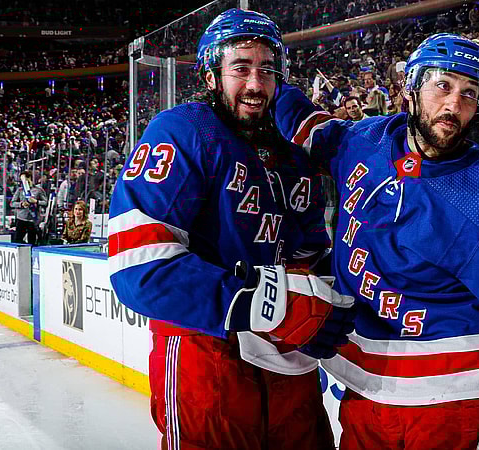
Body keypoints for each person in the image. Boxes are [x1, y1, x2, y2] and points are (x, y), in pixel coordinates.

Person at [274, 33, 479, 449]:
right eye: (442, 85)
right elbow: (305, 124)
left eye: (469, 93)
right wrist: (259, 66)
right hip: (365, 387)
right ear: (411, 88)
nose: (453, 104)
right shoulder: (366, 139)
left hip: (454, 399)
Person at [108, 9, 355, 450]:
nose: (256, 85)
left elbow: (310, 251)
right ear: (211, 75)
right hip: (206, 353)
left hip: (288, 356)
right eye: (241, 68)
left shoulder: (295, 155)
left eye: (267, 69)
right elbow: (137, 265)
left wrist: (324, 296)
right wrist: (261, 303)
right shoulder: (183, 129)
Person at [11, 170, 47, 245]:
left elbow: (45, 202)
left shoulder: (38, 190)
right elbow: (12, 203)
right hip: (21, 218)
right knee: (18, 239)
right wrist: (21, 204)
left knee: (32, 240)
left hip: (33, 219)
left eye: (24, 179)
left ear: (29, 178)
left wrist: (36, 201)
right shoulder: (20, 190)